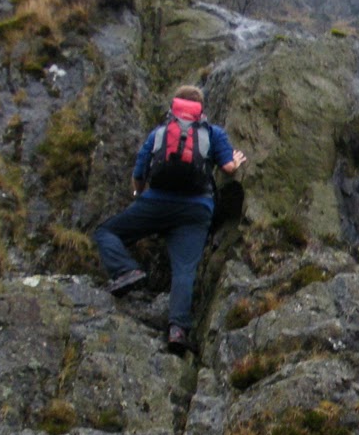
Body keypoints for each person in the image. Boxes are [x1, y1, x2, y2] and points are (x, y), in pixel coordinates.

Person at [95, 85, 246, 353]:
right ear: (201, 109)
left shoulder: (159, 134)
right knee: (184, 269)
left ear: (174, 107)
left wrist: (138, 197)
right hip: (196, 210)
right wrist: (235, 161)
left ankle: (126, 269)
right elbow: (228, 169)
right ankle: (177, 330)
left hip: (156, 202)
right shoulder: (212, 133)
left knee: (107, 232)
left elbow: (139, 173)